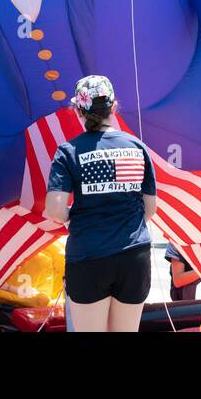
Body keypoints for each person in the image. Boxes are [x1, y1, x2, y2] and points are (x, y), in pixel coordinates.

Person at [43, 76, 156, 332]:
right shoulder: (137, 147)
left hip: (88, 255)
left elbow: (54, 209)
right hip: (133, 254)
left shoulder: (68, 151)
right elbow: (150, 209)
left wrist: (73, 217)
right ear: (113, 107)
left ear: (78, 111)